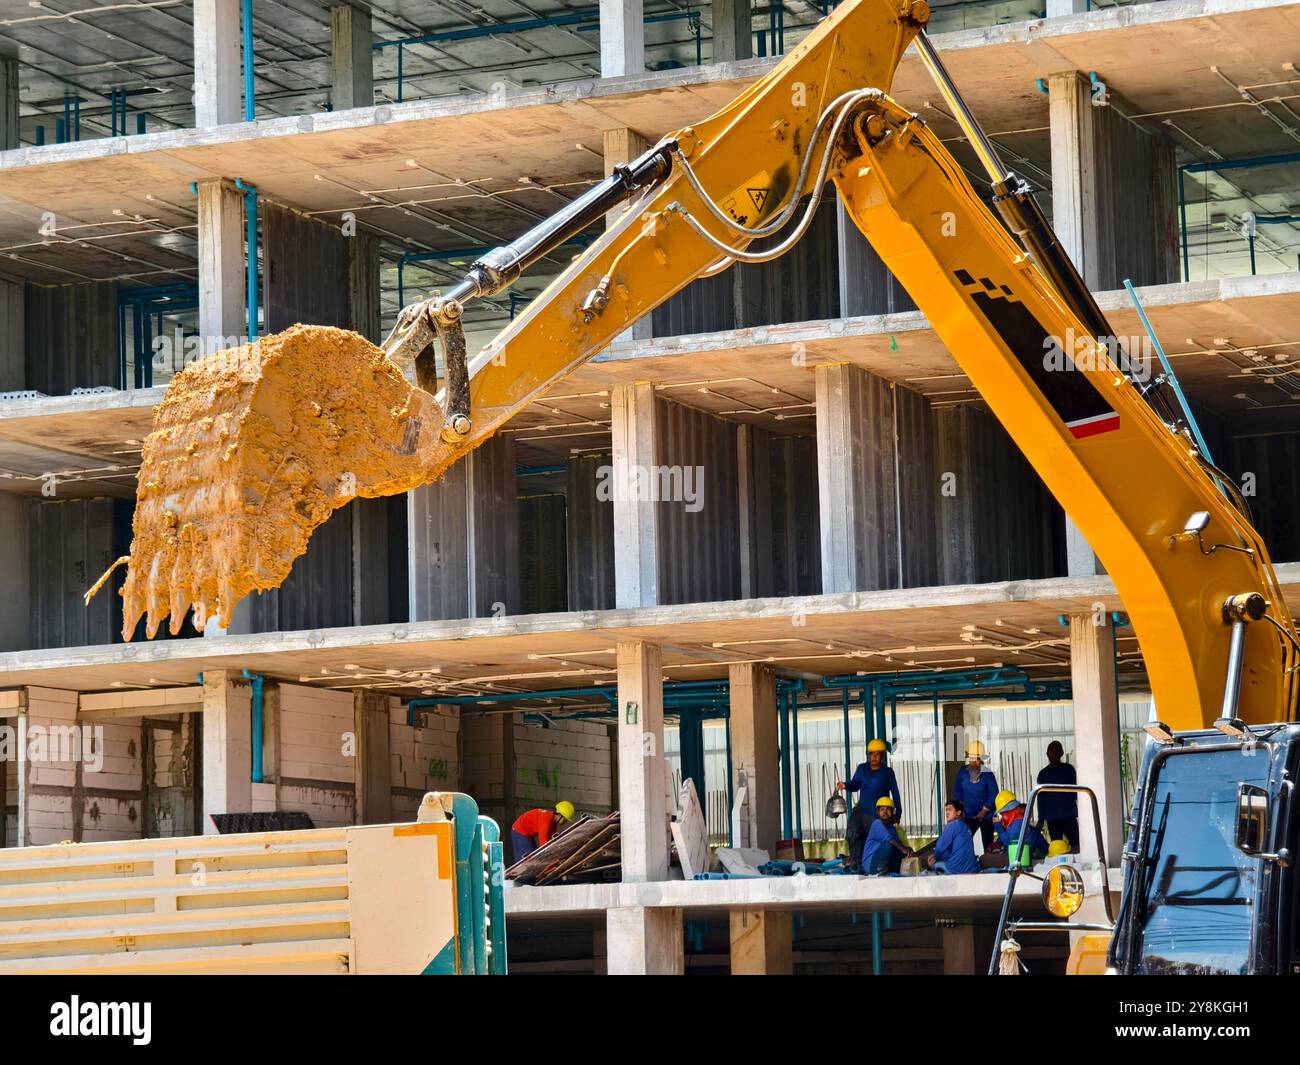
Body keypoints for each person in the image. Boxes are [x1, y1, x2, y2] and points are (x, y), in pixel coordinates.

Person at [837, 738, 901, 870]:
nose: (874, 757)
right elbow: (855, 785)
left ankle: (870, 865)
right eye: (872, 754)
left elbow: (895, 792)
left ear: (883, 756)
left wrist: (898, 813)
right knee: (852, 832)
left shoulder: (887, 773)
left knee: (872, 839)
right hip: (861, 810)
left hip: (877, 814)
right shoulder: (862, 769)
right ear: (868, 754)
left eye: (878, 754)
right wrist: (845, 785)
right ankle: (855, 863)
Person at [981, 791, 1048, 869]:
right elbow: (1045, 849)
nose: (1002, 816)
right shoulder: (1020, 824)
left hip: (1014, 859)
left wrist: (998, 826)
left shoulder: (1017, 824)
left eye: (1003, 813)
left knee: (983, 859)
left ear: (1009, 811)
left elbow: (1008, 842)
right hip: (1021, 859)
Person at [952, 740, 998, 852]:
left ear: (981, 760)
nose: (974, 762)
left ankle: (988, 861)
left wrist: (983, 811)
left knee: (987, 842)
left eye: (977, 759)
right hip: (967, 815)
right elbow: (957, 792)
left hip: (986, 815)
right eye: (972, 759)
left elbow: (994, 794)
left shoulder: (988, 774)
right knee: (964, 840)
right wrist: (961, 810)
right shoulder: (962, 772)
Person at [1036, 740, 1079, 851]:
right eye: (1051, 752)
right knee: (1057, 848)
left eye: (1056, 752)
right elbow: (1041, 798)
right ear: (1047, 754)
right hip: (1053, 818)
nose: (1053, 755)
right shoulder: (1043, 774)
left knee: (1077, 845)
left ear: (1061, 753)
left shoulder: (1069, 770)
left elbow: (1077, 792)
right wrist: (1041, 819)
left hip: (1069, 815)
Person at [861, 796, 913, 875]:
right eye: (882, 809)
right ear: (878, 812)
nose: (885, 812)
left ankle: (894, 872)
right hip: (870, 865)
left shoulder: (892, 828)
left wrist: (908, 850)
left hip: (883, 863)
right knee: (888, 845)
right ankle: (881, 873)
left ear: (892, 812)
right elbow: (890, 839)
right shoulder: (876, 823)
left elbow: (898, 844)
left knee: (898, 850)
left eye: (888, 809)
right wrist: (903, 849)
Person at [511, 800, 575, 860]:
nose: (565, 822)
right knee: (526, 861)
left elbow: (551, 841)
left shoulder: (552, 823)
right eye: (565, 820)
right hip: (519, 831)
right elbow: (543, 843)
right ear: (560, 815)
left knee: (533, 858)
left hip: (528, 834)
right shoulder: (546, 818)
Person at [929, 799, 979, 874]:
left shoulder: (953, 825)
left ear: (958, 812)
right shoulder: (967, 827)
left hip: (956, 869)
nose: (947, 813)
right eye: (946, 810)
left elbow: (939, 848)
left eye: (950, 809)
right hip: (971, 869)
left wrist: (934, 857)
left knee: (934, 865)